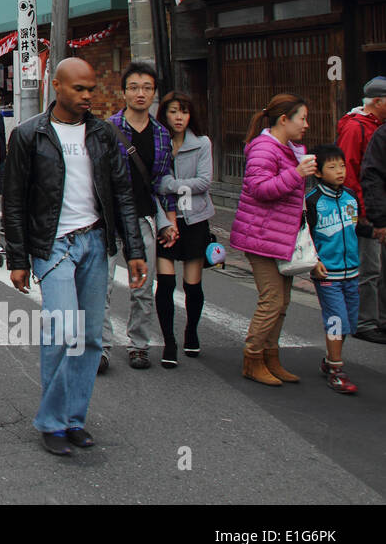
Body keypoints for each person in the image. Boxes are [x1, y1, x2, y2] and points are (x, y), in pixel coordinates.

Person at [3, 58, 146, 456]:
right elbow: (14, 200)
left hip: (95, 243)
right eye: (79, 89)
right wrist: (17, 258)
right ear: (57, 87)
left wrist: (134, 250)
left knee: (89, 338)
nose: (88, 95)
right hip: (53, 246)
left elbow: (123, 196)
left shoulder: (104, 134)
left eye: (91, 88)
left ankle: (72, 419)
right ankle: (51, 422)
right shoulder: (30, 135)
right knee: (62, 332)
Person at [230, 94, 315, 387]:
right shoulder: (264, 147)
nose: (306, 124)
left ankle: (271, 356)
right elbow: (260, 189)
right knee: (272, 299)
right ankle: (252, 359)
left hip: (282, 235)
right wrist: (297, 173)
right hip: (261, 235)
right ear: (284, 120)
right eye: (301, 118)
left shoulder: (290, 148)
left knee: (283, 301)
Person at [102, 62, 177, 373]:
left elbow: (164, 182)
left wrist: (169, 221)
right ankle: (101, 348)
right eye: (134, 87)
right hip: (108, 221)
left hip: (144, 218)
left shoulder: (161, 134)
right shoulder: (107, 129)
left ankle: (139, 345)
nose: (140, 93)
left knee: (142, 288)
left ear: (154, 93)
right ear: (124, 92)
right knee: (101, 286)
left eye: (147, 88)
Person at [153, 91, 213, 368]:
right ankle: (169, 341)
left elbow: (203, 182)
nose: (179, 117)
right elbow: (154, 183)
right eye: (174, 111)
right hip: (166, 220)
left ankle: (191, 331)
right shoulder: (158, 143)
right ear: (165, 114)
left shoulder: (201, 143)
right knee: (165, 283)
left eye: (184, 111)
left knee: (193, 285)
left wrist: (171, 185)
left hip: (196, 219)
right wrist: (170, 187)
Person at [306, 145, 361, 394]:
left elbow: (356, 229)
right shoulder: (313, 201)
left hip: (352, 273)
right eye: (332, 167)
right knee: (336, 319)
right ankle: (336, 371)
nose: (339, 171)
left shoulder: (351, 197)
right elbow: (304, 237)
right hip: (328, 274)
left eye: (342, 166)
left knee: (348, 321)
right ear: (318, 172)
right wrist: (313, 261)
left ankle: (330, 360)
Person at [335, 78, 386, 344]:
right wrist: (363, 210)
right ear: (377, 102)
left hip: (375, 207)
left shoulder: (377, 126)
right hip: (363, 209)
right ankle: (364, 321)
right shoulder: (356, 127)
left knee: (379, 266)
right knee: (370, 267)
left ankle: (379, 319)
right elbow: (348, 172)